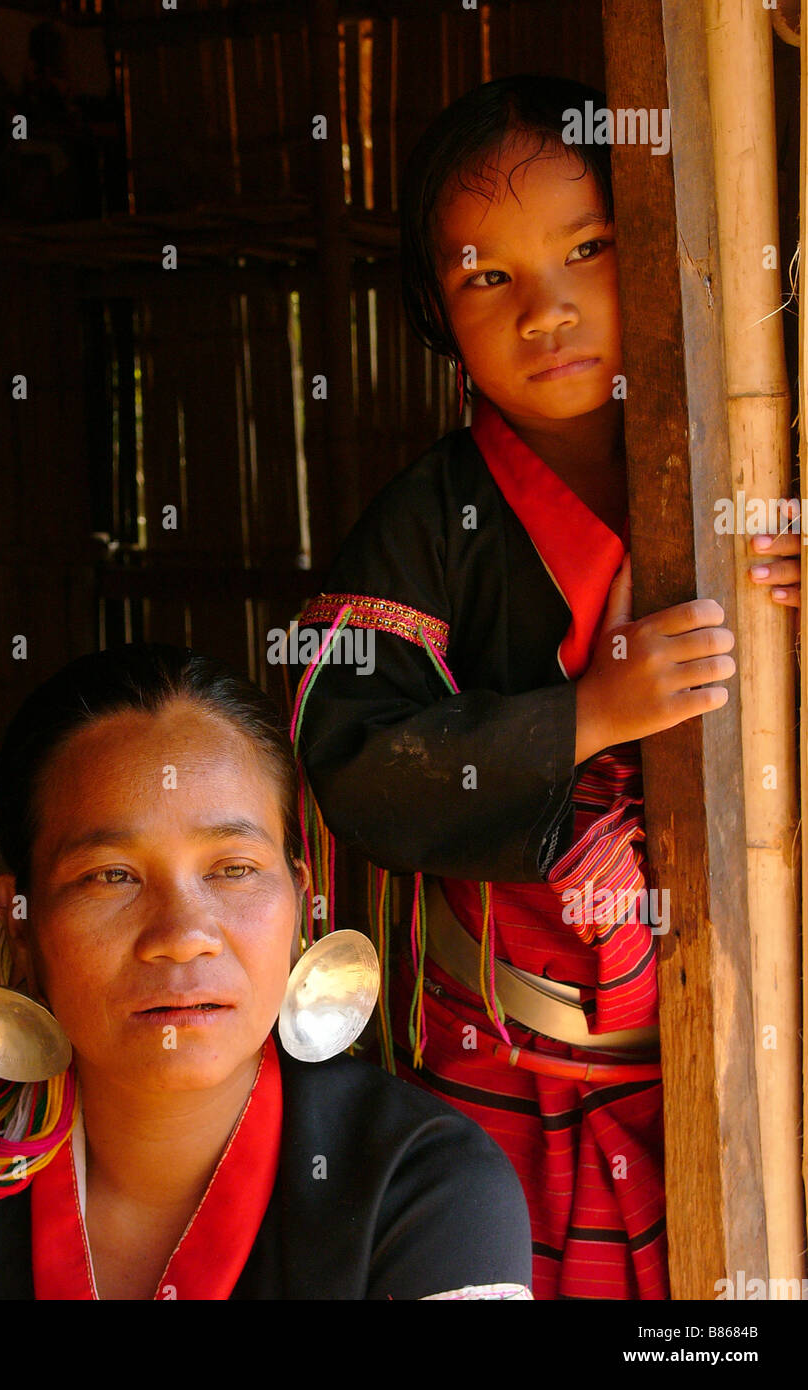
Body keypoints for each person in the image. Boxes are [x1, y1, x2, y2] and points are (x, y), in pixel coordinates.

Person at [291, 75, 799, 1301]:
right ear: (430, 306)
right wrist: (593, 715)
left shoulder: (760, 460)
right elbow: (346, 749)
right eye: (486, 277)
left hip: (753, 1035)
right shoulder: (431, 518)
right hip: (501, 1058)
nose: (547, 310)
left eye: (586, 248)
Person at [0, 643, 532, 1301]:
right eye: (111, 876)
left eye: (234, 869)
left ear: (299, 899)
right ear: (21, 921)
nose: (182, 937)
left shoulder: (424, 1190)